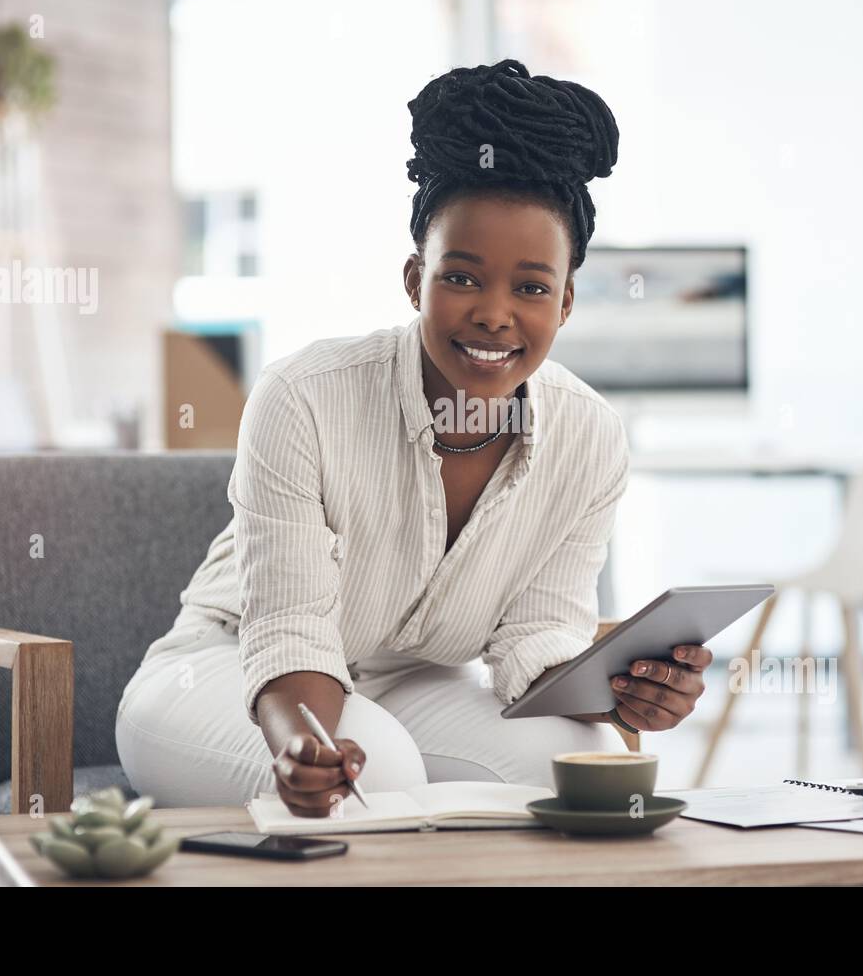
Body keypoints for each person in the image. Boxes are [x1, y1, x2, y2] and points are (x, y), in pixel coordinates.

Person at [115, 59, 711, 815]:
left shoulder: (589, 437)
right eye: (461, 278)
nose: (494, 314)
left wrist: (624, 696)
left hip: (408, 685)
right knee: (381, 773)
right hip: (227, 667)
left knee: (569, 763)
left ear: (565, 301)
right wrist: (301, 745)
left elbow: (536, 634)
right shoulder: (303, 397)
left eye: (530, 288)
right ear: (413, 280)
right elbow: (292, 626)